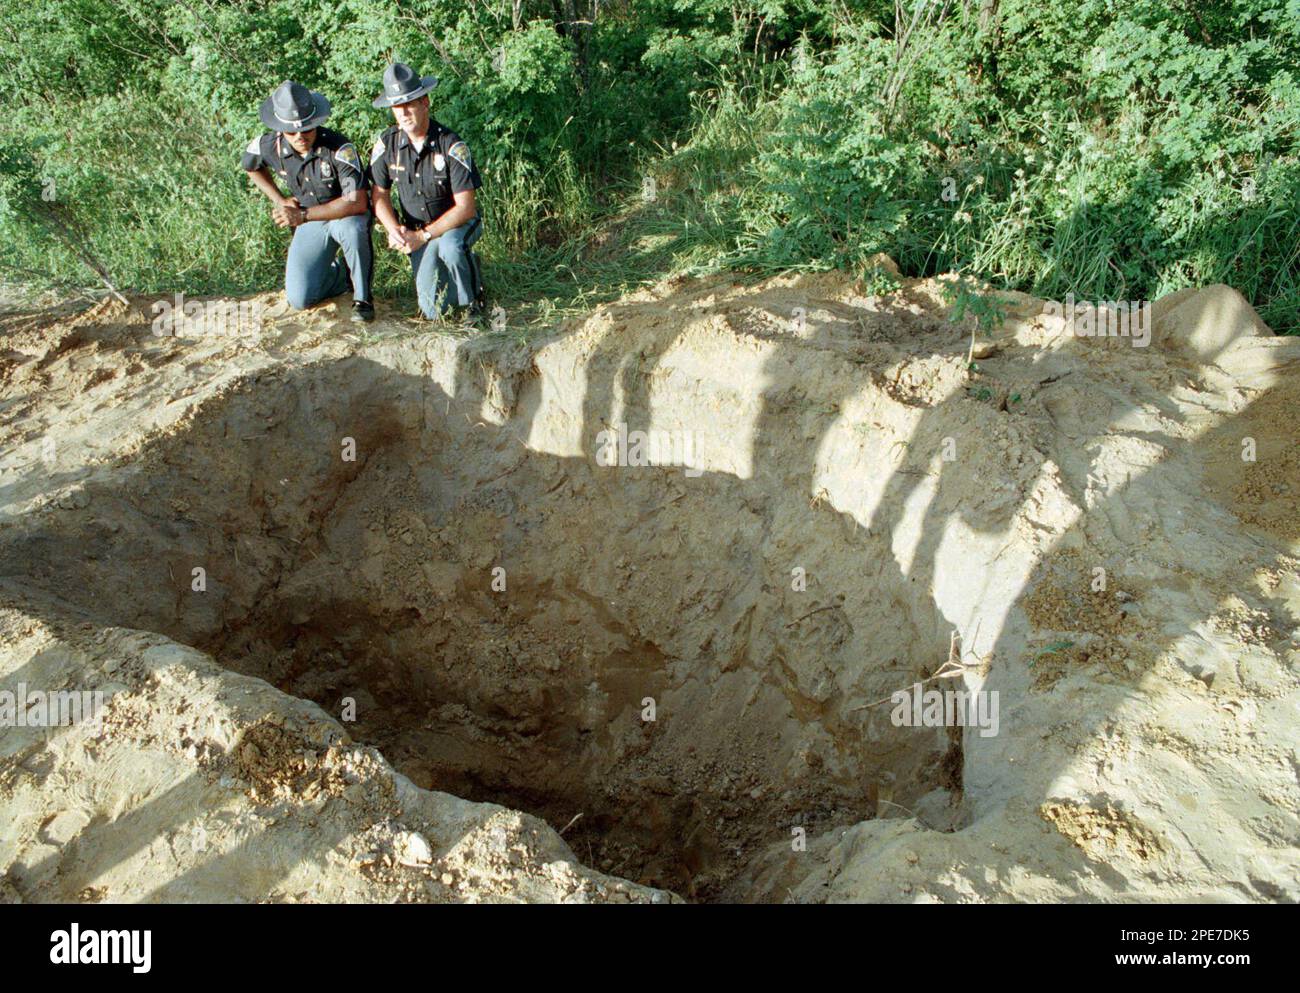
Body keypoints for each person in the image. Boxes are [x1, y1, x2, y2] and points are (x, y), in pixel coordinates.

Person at [242, 80, 375, 323]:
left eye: (307, 129)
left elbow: (356, 202)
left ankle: (363, 298)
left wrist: (302, 216)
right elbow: (251, 167)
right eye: (292, 132)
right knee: (300, 298)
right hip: (310, 219)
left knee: (352, 229)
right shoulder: (268, 145)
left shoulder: (339, 148)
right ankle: (342, 277)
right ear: (281, 128)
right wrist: (280, 200)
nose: (300, 136)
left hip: (343, 213)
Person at [368, 62, 484, 321]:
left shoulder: (451, 144)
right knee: (434, 311)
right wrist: (394, 229)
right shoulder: (387, 144)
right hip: (416, 230)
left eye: (410, 104)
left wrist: (424, 235)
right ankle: (461, 274)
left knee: (451, 248)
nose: (404, 112)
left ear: (425, 103)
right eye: (398, 106)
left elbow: (466, 208)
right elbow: (379, 195)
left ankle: (474, 302)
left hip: (457, 224)